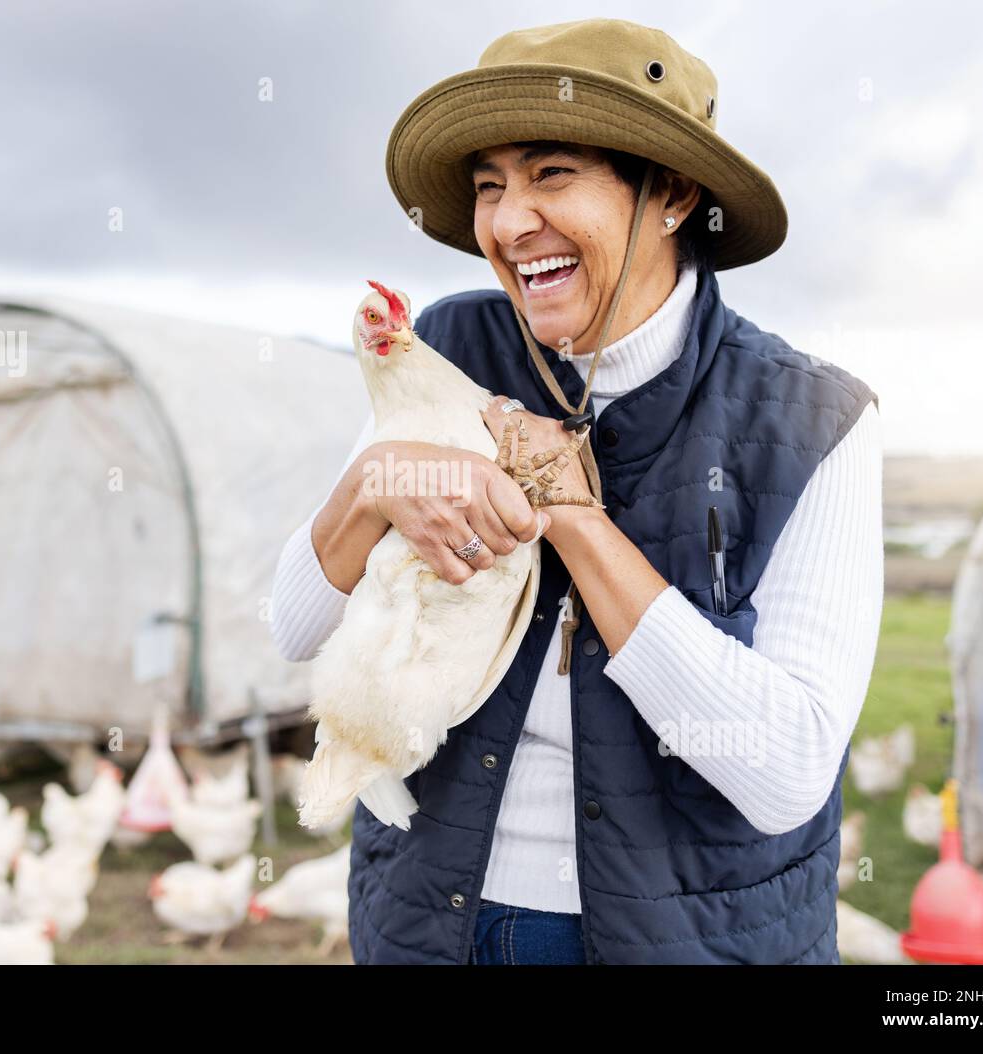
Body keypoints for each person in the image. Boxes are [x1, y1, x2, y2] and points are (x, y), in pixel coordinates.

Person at [271, 18, 882, 964]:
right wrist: (376, 485)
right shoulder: (448, 350)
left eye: (551, 174)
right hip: (435, 921)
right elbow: (293, 628)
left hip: (683, 943)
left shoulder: (813, 419)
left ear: (671, 192)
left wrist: (571, 518)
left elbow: (786, 773)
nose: (510, 224)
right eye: (489, 186)